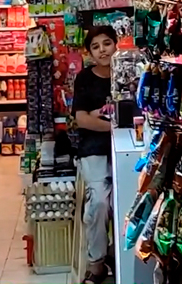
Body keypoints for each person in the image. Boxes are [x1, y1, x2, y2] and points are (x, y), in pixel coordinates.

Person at [73, 26, 118, 284]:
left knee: (122, 202)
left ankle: (117, 254)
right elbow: (81, 119)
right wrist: (114, 125)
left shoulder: (128, 73)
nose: (102, 50)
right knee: (99, 203)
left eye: (107, 43)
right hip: (93, 150)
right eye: (95, 46)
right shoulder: (84, 79)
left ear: (116, 45)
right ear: (89, 53)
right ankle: (97, 263)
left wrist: (97, 115)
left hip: (127, 149)